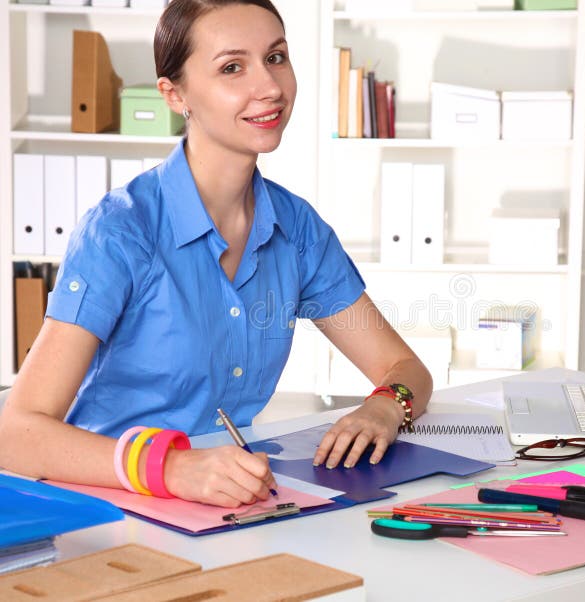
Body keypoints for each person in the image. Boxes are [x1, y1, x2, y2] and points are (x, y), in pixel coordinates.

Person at [0, 0, 431, 508]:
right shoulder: (122, 232)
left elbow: (405, 368)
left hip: (222, 502)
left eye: (276, 57)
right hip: (106, 502)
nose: (269, 87)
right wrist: (172, 466)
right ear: (175, 94)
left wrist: (384, 406)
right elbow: (16, 434)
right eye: (232, 67)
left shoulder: (298, 231)